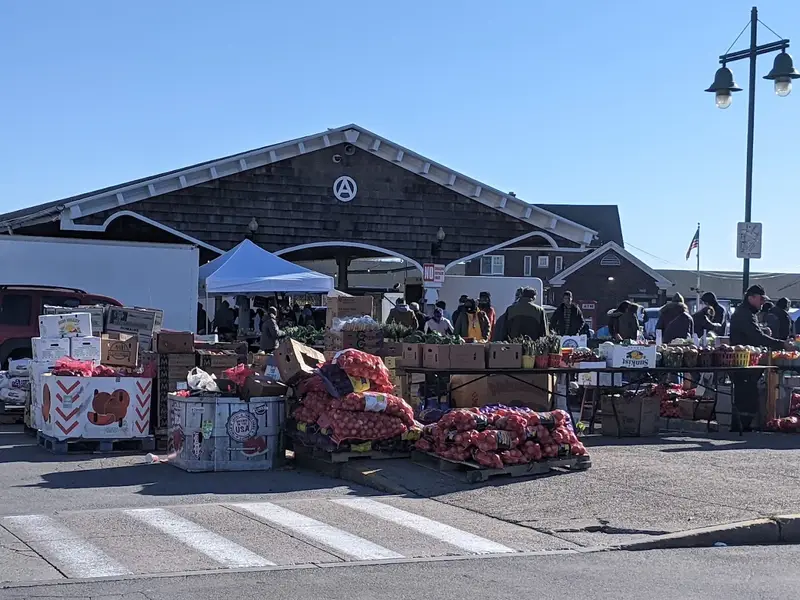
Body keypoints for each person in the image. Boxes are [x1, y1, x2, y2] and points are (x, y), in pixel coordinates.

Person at [729, 285, 791, 432]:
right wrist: (781, 344)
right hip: (742, 361)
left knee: (746, 392)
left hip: (746, 359)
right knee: (746, 393)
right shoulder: (744, 313)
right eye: (761, 299)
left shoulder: (746, 313)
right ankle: (741, 426)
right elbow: (756, 337)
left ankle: (742, 425)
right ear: (751, 297)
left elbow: (754, 333)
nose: (762, 303)